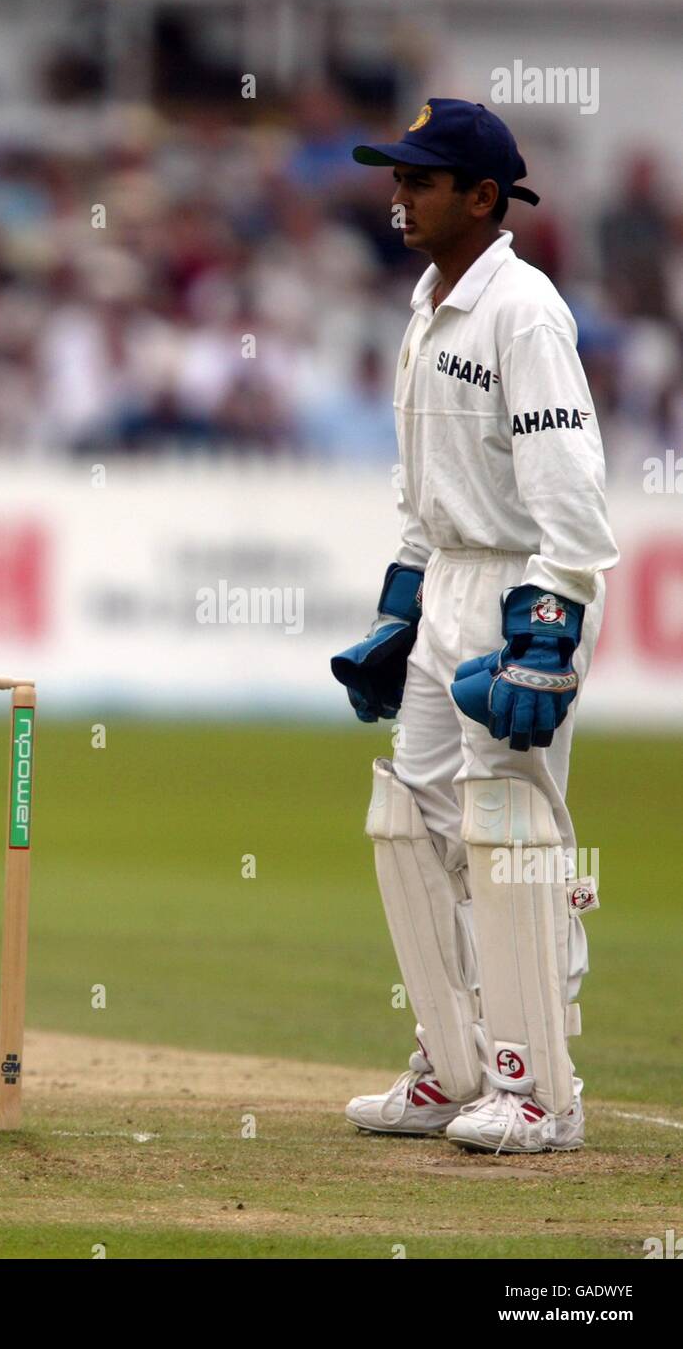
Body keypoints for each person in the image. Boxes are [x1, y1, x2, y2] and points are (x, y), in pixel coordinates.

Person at [331, 99, 618, 1154]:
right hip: (448, 578)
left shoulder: (523, 311)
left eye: (418, 180)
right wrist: (399, 608)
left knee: (508, 834)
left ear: (482, 197)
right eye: (395, 178)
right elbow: (423, 490)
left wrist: (547, 628)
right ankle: (451, 1064)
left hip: (515, 587)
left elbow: (570, 487)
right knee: (409, 821)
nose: (396, 196)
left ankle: (538, 1088)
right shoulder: (424, 301)